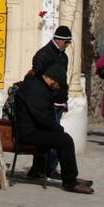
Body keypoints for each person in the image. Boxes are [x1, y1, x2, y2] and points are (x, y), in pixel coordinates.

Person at [14, 64, 93, 194]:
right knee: (65, 140)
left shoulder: (39, 86)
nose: (57, 86)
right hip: (28, 133)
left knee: (59, 138)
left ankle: (39, 171)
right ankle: (70, 182)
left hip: (35, 129)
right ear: (51, 79)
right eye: (57, 83)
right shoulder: (34, 89)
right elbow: (42, 117)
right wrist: (58, 129)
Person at [28, 25, 71, 179]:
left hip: (59, 101)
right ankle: (41, 168)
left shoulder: (63, 56)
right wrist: (50, 84)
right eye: (66, 42)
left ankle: (47, 168)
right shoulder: (43, 54)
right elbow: (37, 75)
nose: (67, 46)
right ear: (58, 40)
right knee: (50, 136)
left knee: (54, 136)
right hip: (46, 102)